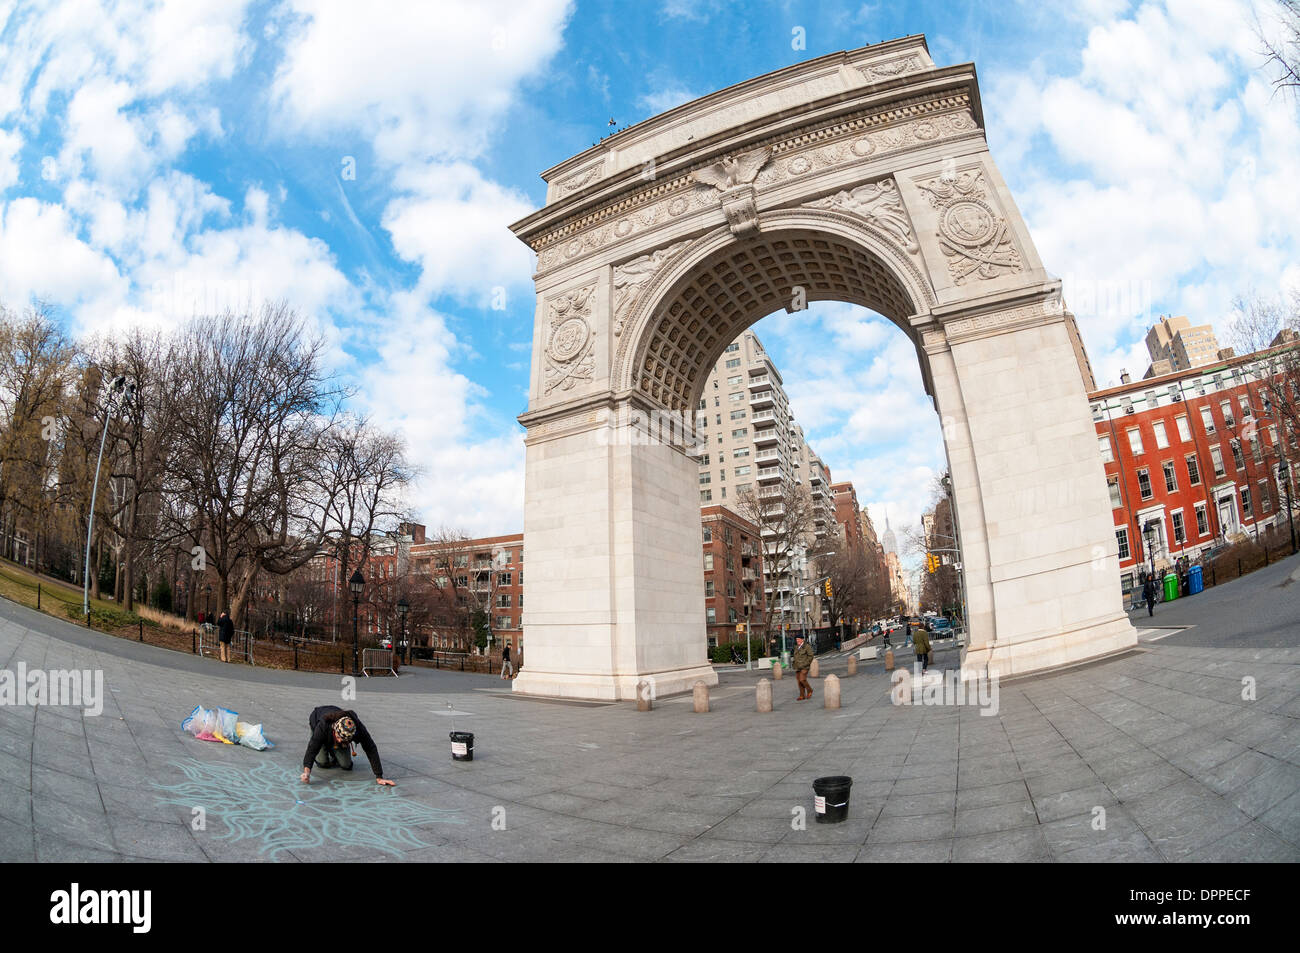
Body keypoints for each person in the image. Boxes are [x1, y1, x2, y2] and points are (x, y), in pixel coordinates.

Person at [300, 705, 394, 786]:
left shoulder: (358, 729)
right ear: (335, 730)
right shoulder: (323, 725)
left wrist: (379, 777)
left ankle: (335, 751)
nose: (340, 740)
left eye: (345, 739)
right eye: (339, 737)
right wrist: (307, 773)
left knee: (346, 765)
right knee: (322, 763)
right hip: (317, 720)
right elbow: (312, 748)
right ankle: (326, 746)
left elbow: (371, 748)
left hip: (335, 728)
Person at [792, 635, 815, 701]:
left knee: (802, 679)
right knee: (799, 681)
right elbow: (795, 656)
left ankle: (810, 690)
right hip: (797, 666)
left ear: (802, 640)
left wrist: (806, 663)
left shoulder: (807, 646)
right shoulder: (796, 647)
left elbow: (811, 656)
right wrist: (794, 664)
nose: (797, 641)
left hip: (805, 666)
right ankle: (802, 695)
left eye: (799, 639)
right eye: (796, 639)